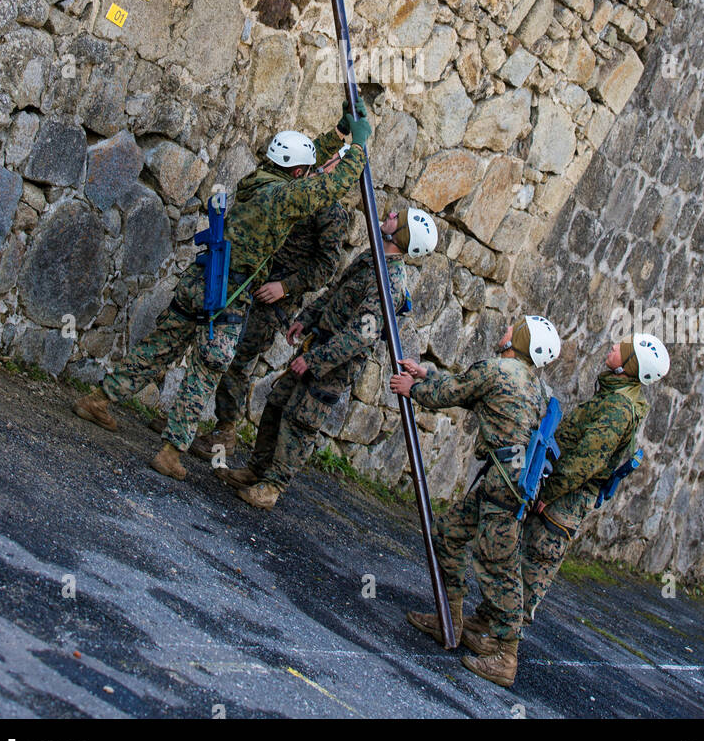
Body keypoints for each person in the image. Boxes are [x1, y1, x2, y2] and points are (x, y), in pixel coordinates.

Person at [72, 108, 372, 478]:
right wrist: (358, 144)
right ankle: (171, 451)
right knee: (208, 369)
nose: (308, 172)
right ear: (298, 173)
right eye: (306, 170)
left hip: (202, 277)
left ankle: (98, 399)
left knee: (159, 347)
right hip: (227, 293)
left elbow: (301, 159)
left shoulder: (259, 178)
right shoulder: (283, 198)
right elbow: (328, 186)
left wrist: (338, 131)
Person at [220, 207, 438, 510]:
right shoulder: (372, 257)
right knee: (277, 403)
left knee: (300, 421)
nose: (388, 214)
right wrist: (307, 319)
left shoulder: (389, 284)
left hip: (335, 365)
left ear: (401, 235)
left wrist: (315, 360)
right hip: (318, 346)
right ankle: (257, 471)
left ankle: (272, 487)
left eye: (395, 217)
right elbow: (335, 292)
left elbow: (360, 337)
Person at [391, 314, 561, 689]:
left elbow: (452, 394)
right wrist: (425, 374)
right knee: (448, 532)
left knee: (498, 566)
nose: (505, 331)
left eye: (512, 328)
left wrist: (413, 388)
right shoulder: (533, 384)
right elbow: (469, 392)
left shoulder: (499, 369)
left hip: (504, 486)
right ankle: (448, 616)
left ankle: (506, 655)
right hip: (509, 483)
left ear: (520, 339)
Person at [518, 333, 670, 628]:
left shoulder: (618, 409)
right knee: (522, 563)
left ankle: (503, 653)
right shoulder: (616, 396)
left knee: (531, 572)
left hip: (563, 501)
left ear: (630, 365)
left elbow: (587, 461)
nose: (614, 346)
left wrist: (548, 492)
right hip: (562, 495)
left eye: (622, 348)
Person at [194, 171, 349, 461]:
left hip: (273, 299)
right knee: (212, 344)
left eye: (333, 163)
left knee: (237, 360)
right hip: (248, 279)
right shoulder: (298, 188)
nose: (324, 165)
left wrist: (285, 287)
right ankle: (185, 420)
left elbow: (326, 267)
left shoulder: (332, 211)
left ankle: (225, 432)